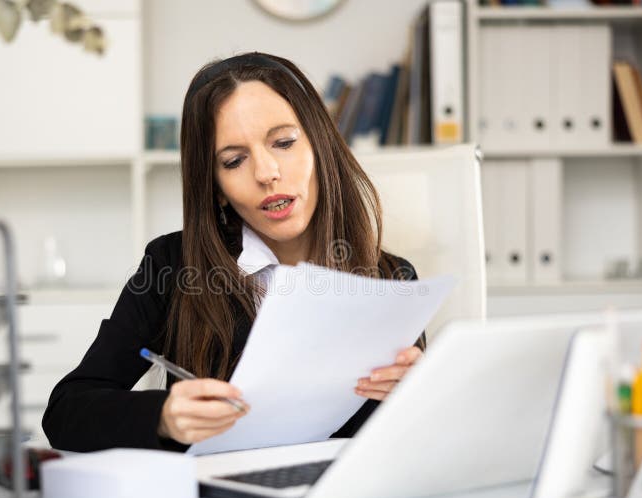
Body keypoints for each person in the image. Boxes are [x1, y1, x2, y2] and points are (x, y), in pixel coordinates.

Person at [42, 52, 425, 453]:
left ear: (320, 147)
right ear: (215, 185)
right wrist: (163, 417)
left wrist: (421, 392)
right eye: (234, 160)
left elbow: (413, 444)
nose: (266, 172)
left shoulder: (391, 278)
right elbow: (67, 410)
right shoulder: (173, 266)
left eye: (284, 142)